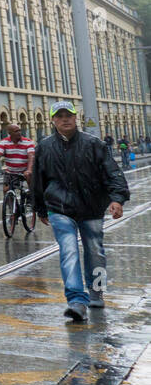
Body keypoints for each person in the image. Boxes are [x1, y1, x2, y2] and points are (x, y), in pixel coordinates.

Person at [32, 101, 129, 324]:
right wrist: (40, 208)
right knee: (68, 250)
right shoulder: (44, 147)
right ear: (53, 120)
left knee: (95, 250)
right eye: (60, 116)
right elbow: (38, 180)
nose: (65, 119)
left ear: (76, 118)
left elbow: (113, 173)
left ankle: (97, 291)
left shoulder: (93, 144)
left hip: (92, 207)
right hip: (60, 207)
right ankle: (76, 301)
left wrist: (117, 199)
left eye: (69, 115)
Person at [0, 122, 36, 229]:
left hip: (25, 170)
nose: (19, 132)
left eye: (19, 130)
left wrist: (29, 170)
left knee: (29, 176)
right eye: (16, 131)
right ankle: (13, 211)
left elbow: (31, 157)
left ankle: (30, 198)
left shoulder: (28, 142)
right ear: (9, 133)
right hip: (11, 171)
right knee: (6, 190)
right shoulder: (4, 142)